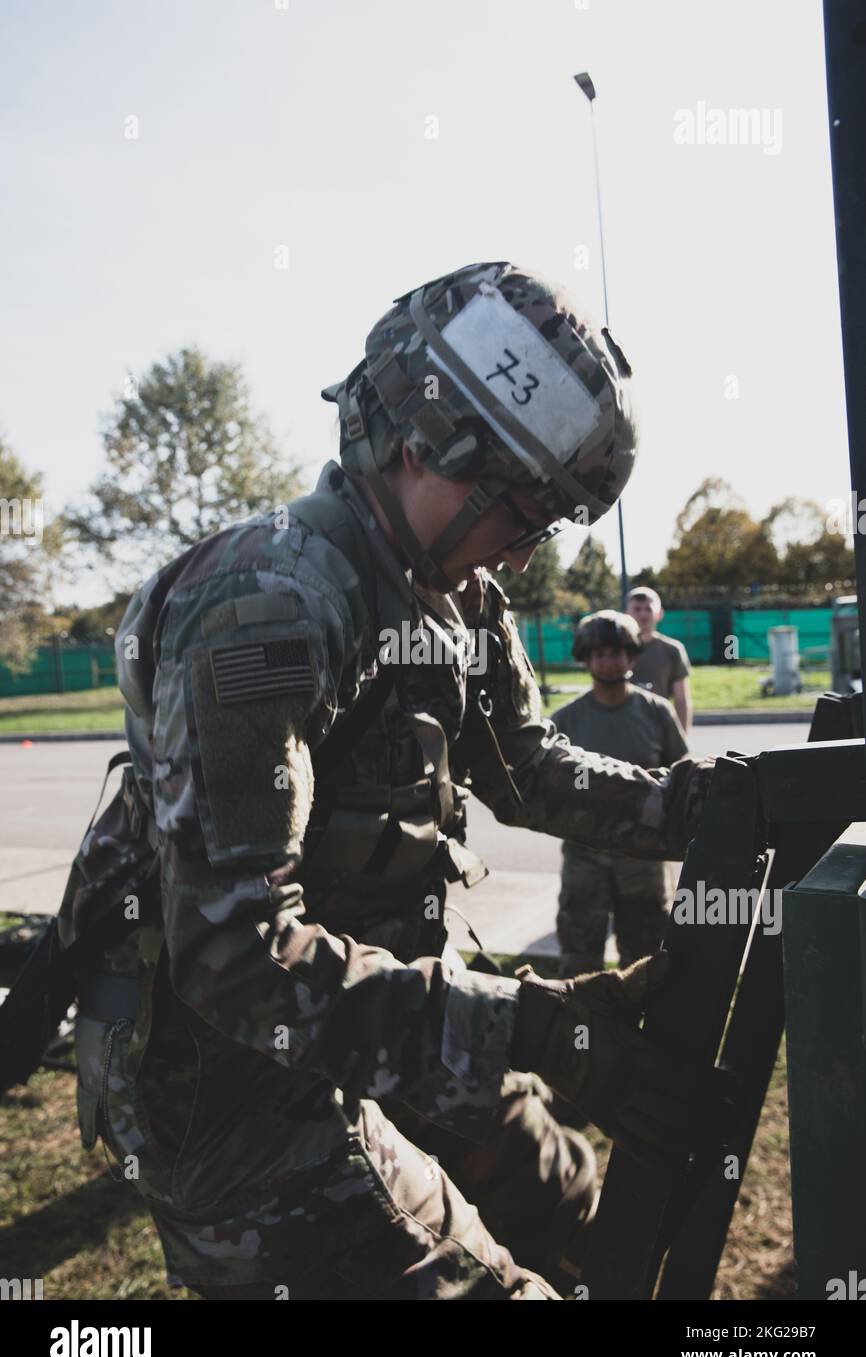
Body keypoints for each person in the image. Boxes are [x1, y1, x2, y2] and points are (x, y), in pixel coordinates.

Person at [61, 261, 715, 1302]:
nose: (528, 541)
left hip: (386, 1014)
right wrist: (540, 1029)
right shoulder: (267, 605)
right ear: (423, 444)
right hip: (242, 1094)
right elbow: (239, 960)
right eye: (521, 506)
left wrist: (711, 805)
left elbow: (529, 770)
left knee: (568, 1203)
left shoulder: (459, 601)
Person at [552, 610, 688, 978]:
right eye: (599, 654)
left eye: (616, 653)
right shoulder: (566, 720)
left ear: (631, 656)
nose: (608, 662)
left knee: (647, 960)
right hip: (584, 857)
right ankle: (580, 1033)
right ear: (586, 659)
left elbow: (682, 778)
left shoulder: (657, 713)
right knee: (579, 961)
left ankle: (638, 1035)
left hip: (644, 858)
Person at [626, 585, 692, 732]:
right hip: (623, 728)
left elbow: (681, 699)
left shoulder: (673, 650)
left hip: (660, 729)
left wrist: (682, 737)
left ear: (659, 613)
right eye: (637, 609)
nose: (643, 614)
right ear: (627, 613)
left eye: (648, 609)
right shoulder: (617, 650)